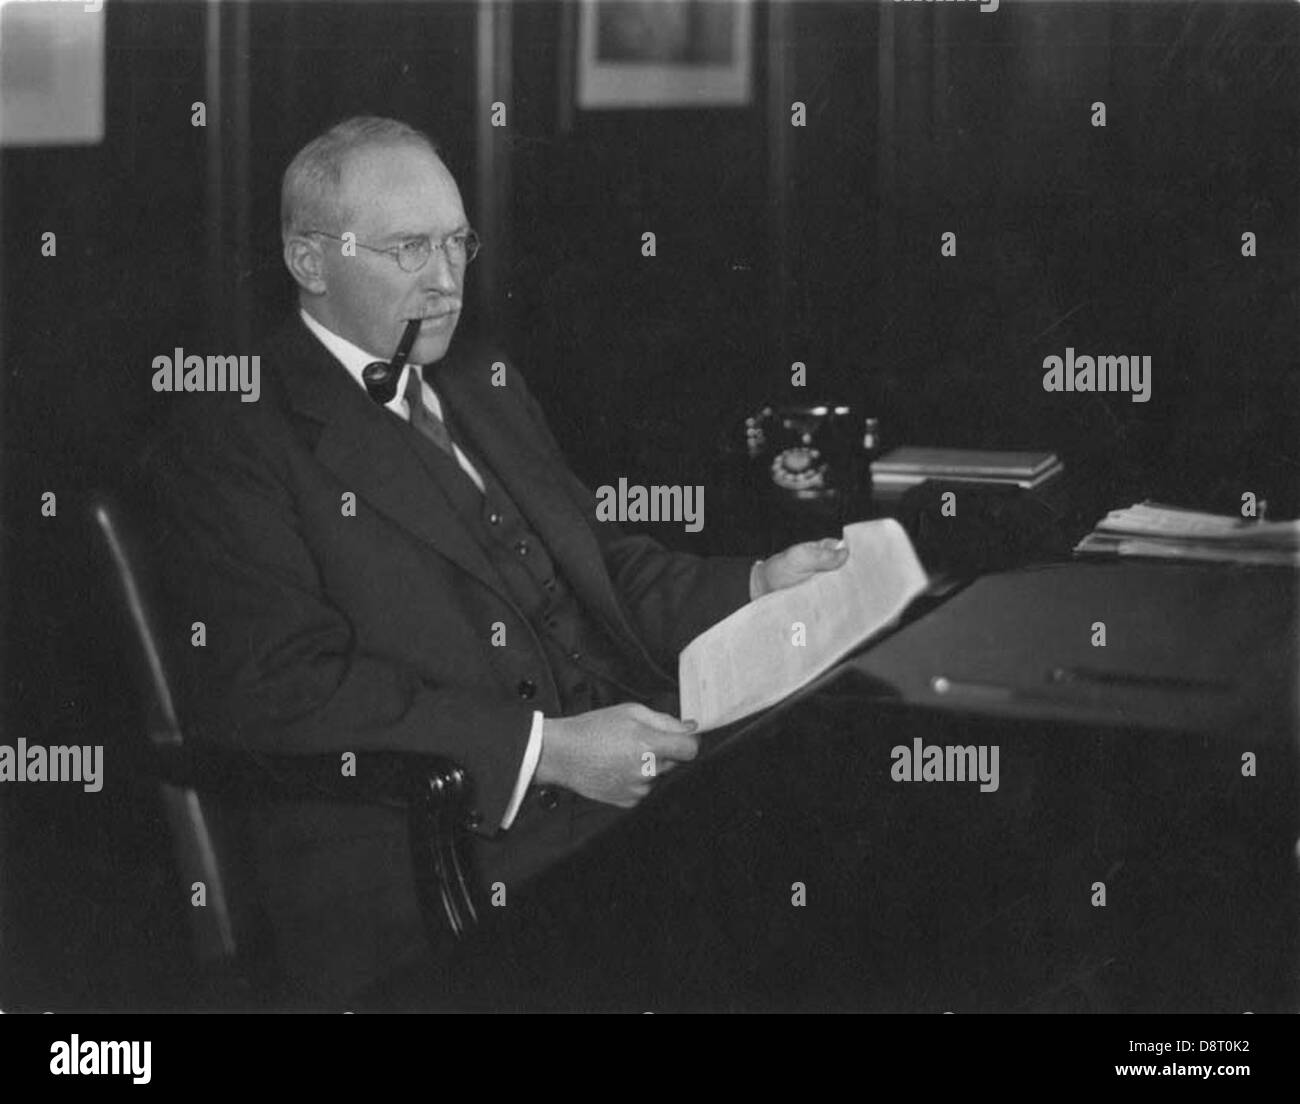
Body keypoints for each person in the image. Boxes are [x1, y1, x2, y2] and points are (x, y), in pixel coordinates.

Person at [140, 116, 848, 1004]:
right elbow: (278, 686)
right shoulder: (233, 434)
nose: (445, 282)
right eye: (408, 250)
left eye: (456, 243)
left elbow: (603, 567)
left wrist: (753, 585)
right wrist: (545, 751)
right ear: (309, 261)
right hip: (431, 854)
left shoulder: (483, 381)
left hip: (615, 809)